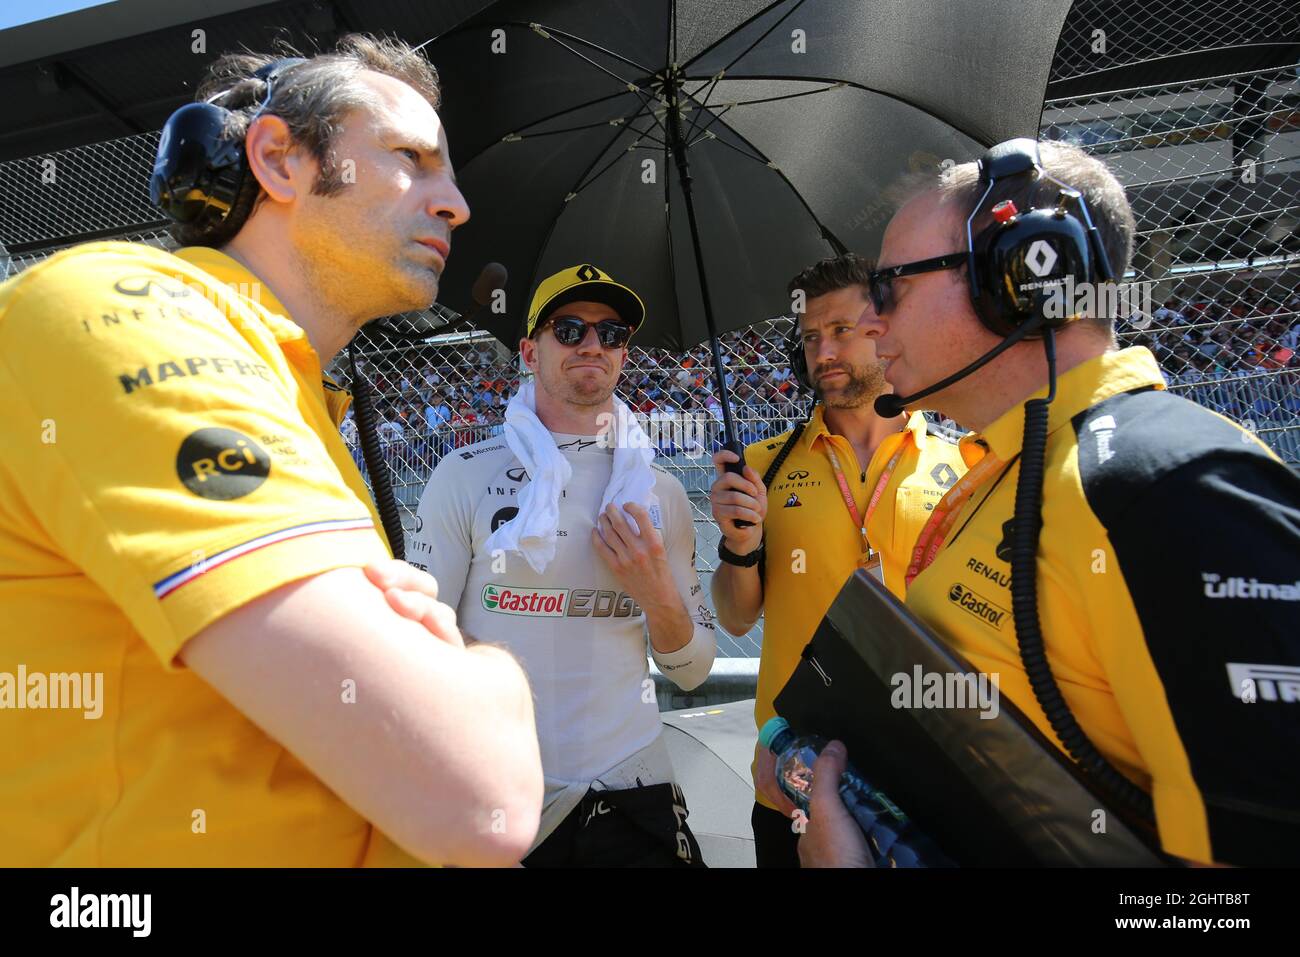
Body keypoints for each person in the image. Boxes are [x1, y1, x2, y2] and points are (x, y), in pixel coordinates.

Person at [0, 35, 542, 867]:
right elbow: (478, 800)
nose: (456, 203)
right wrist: (490, 671)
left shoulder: (301, 399)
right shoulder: (117, 306)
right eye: (412, 158)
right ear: (278, 161)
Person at [801, 139, 1300, 867]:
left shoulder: (1167, 484)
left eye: (888, 288)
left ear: (1027, 275)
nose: (871, 323)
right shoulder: (1011, 470)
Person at [407, 263, 717, 867]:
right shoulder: (465, 474)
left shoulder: (661, 493)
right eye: (568, 329)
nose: (593, 345)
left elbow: (692, 671)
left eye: (612, 333)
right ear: (529, 350)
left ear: (625, 354)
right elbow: (419, 641)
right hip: (501, 791)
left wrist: (656, 593)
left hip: (632, 784)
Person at [707, 253, 967, 868]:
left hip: (929, 778)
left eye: (842, 331)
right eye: (810, 336)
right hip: (791, 774)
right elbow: (736, 619)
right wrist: (738, 546)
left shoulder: (964, 467)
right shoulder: (762, 466)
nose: (823, 351)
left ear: (883, 328)